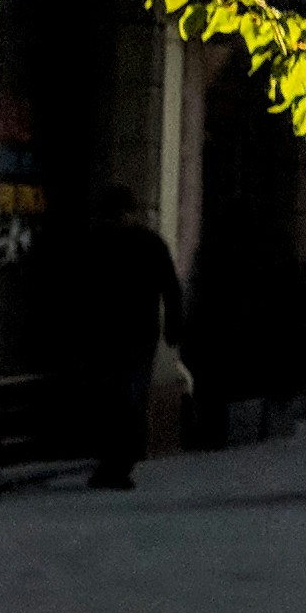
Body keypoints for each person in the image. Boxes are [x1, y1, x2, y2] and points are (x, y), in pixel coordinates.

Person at [70, 183, 185, 491]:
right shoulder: (147, 243)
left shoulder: (101, 243)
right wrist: (174, 328)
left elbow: (170, 289)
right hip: (129, 334)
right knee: (125, 398)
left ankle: (117, 462)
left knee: (120, 398)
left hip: (119, 335)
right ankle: (118, 461)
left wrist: (174, 326)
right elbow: (171, 288)